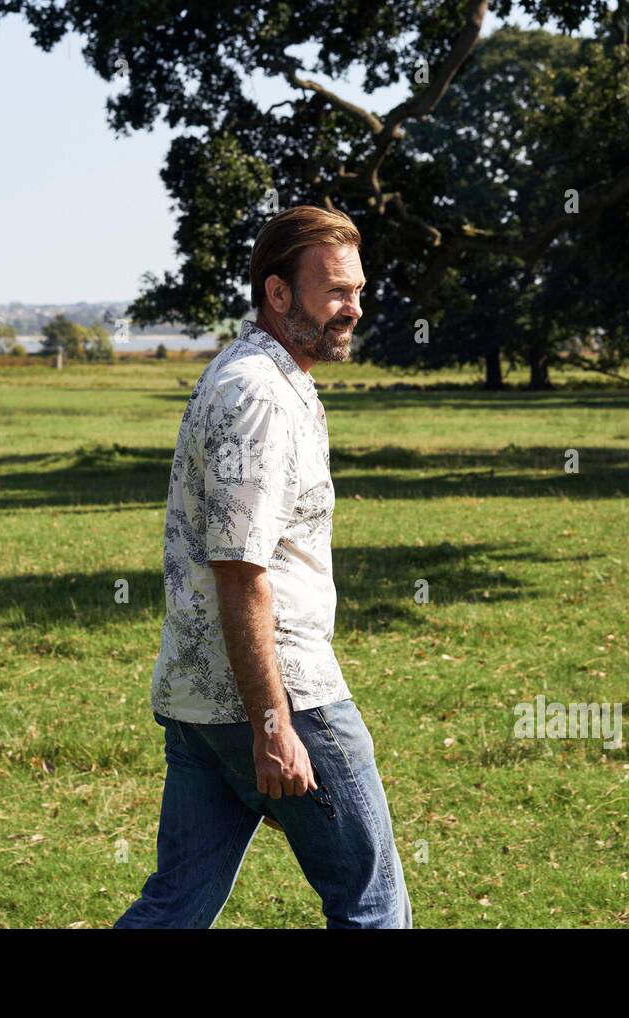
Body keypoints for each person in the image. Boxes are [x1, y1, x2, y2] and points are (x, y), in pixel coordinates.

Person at [114, 204, 412, 929]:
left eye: (359, 291)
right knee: (373, 909)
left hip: (199, 699)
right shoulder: (258, 396)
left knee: (176, 908)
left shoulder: (264, 378)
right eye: (338, 291)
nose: (354, 308)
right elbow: (241, 569)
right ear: (279, 294)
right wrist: (274, 726)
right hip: (284, 699)